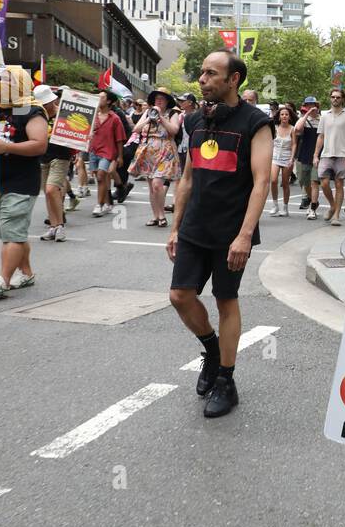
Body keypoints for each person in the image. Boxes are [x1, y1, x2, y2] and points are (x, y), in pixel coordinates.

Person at [167, 51, 273, 418]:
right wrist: (176, 227)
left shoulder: (256, 123)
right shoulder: (195, 120)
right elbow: (187, 179)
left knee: (226, 300)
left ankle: (226, 381)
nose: (202, 79)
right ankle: (211, 349)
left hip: (231, 232)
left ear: (234, 80)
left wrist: (244, 235)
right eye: (201, 73)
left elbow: (261, 183)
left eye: (211, 73)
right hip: (195, 228)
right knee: (179, 296)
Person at [0, 66, 49, 297]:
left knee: (12, 232)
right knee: (10, 232)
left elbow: (39, 144)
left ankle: (3, 280)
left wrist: (8, 147)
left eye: (4, 79)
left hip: (19, 184)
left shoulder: (31, 111)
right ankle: (25, 273)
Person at [130, 87, 181, 227]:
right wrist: (149, 119)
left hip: (165, 150)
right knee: (151, 186)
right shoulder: (147, 112)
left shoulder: (173, 113)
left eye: (162, 99)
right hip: (148, 152)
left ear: (167, 101)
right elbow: (136, 129)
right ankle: (155, 216)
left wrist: (161, 119)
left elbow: (174, 130)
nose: (159, 101)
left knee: (158, 184)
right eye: (157, 98)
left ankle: (162, 215)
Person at [35, 84, 77, 242]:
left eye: (45, 103)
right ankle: (53, 226)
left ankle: (60, 226)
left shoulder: (64, 113)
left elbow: (77, 131)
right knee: (47, 192)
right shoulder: (38, 115)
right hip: (42, 156)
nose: (44, 106)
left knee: (52, 189)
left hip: (61, 155)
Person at [313, 88, 345, 225]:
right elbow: (321, 136)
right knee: (323, 183)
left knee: (339, 184)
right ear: (330, 98)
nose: (335, 99)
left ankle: (336, 216)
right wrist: (315, 155)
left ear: (343, 99)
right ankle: (332, 206)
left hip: (342, 154)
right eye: (333, 97)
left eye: (338, 97)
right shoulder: (325, 116)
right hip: (326, 154)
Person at [88, 90, 126, 217]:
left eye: (101, 97)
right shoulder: (92, 116)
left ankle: (99, 205)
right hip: (93, 150)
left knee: (100, 176)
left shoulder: (115, 118)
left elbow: (119, 139)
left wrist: (120, 156)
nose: (98, 99)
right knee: (100, 178)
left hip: (108, 152)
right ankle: (106, 203)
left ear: (109, 101)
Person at [293, 96, 321, 215]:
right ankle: (312, 200)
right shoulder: (303, 119)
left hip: (318, 155)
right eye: (308, 105)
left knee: (314, 181)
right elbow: (297, 129)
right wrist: (307, 114)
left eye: (313, 105)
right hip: (305, 154)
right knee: (304, 181)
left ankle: (313, 207)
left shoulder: (322, 119)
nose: (311, 107)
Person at [267, 103, 296, 216]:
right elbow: (269, 142)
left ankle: (285, 207)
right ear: (279, 117)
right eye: (282, 114)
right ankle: (275, 206)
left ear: (289, 117)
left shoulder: (292, 129)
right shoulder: (274, 128)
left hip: (287, 158)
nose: (284, 116)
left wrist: (292, 158)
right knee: (273, 180)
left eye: (286, 114)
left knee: (285, 183)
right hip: (275, 157)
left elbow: (294, 144)